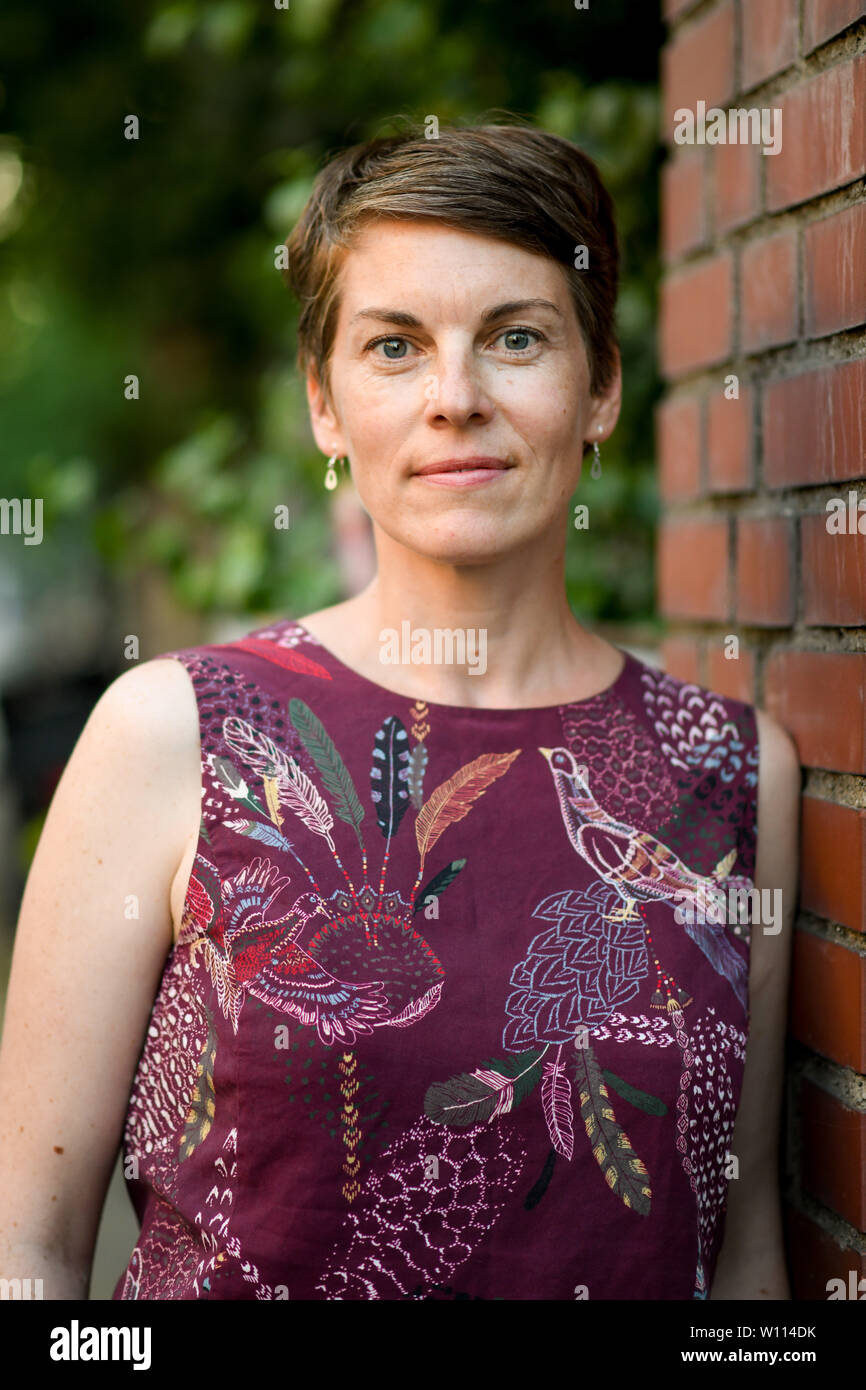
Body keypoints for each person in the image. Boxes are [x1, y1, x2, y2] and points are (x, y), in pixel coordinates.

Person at [0, 120, 799, 1301]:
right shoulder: (176, 735)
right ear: (324, 405)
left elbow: (740, 1261)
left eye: (516, 337)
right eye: (394, 346)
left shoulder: (729, 773)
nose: (455, 398)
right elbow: (29, 1251)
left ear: (602, 387)